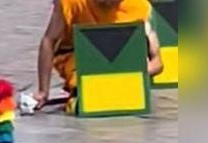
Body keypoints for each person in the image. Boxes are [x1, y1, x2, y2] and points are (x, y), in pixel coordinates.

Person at [33, 0, 161, 108]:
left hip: (120, 56)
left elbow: (157, 62)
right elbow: (49, 41)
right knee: (87, 88)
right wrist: (43, 91)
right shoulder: (72, 3)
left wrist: (138, 71)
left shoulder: (139, 7)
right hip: (74, 54)